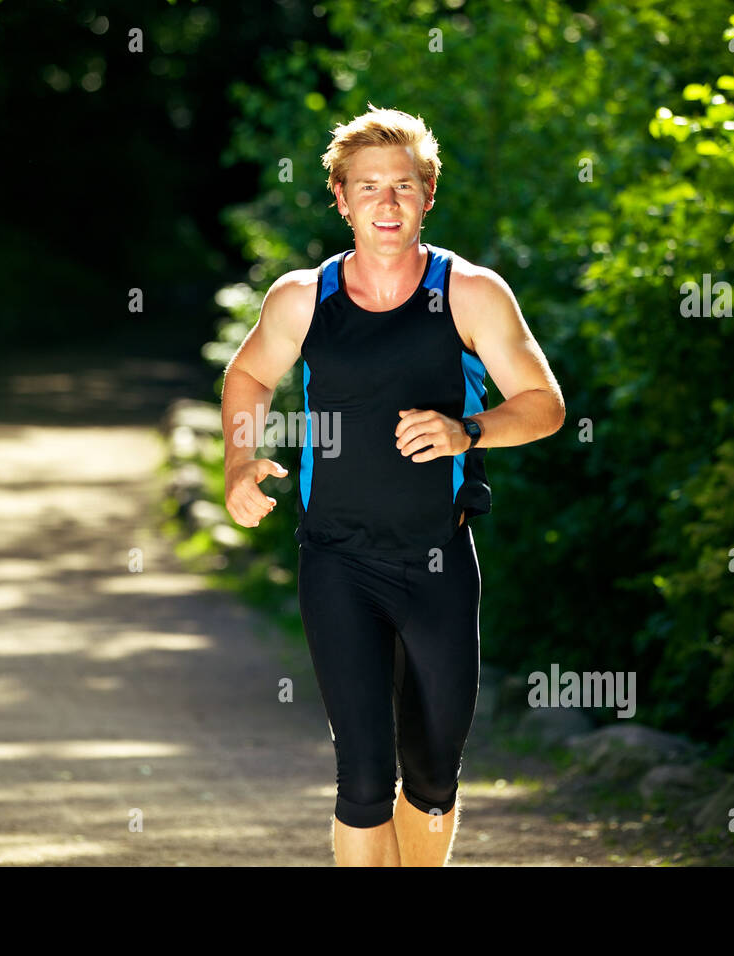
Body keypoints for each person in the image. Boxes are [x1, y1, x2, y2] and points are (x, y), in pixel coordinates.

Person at [221, 105, 565, 866]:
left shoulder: (472, 293)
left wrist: (466, 431)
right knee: (366, 776)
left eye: (403, 186)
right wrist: (240, 462)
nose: (386, 203)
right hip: (337, 559)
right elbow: (248, 376)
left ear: (428, 194)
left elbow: (545, 406)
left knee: (434, 775)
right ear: (340, 199)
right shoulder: (303, 299)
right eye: (367, 187)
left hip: (438, 560)